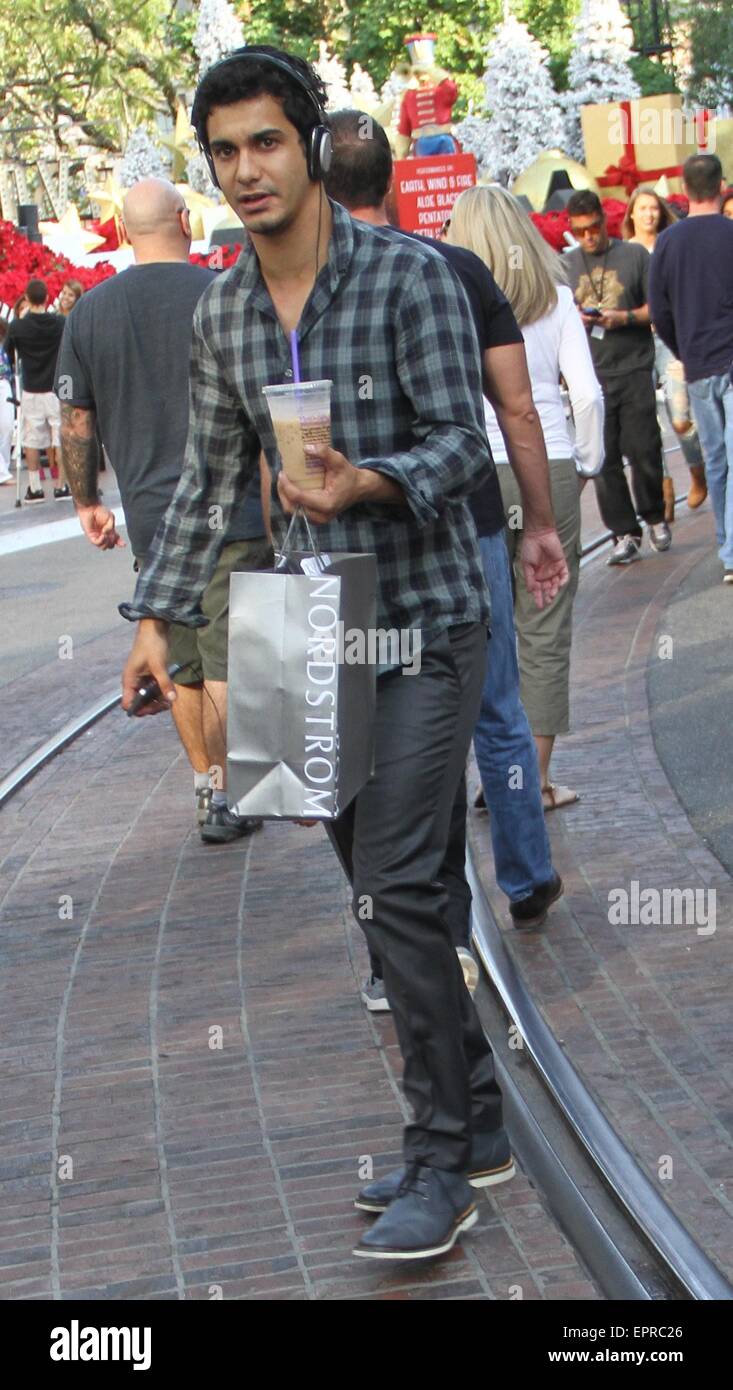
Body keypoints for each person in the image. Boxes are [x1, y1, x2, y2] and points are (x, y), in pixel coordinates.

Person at [119, 46, 564, 1262]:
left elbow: (460, 447)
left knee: (408, 885)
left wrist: (371, 481)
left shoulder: (407, 276)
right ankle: (473, 1122)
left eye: (266, 142)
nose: (246, 170)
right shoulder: (219, 312)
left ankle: (436, 1156)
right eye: (224, 152)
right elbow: (210, 493)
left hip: (419, 617)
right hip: (290, 629)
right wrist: (158, 622)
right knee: (379, 894)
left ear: (309, 146)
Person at [323, 112, 567, 1014]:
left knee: (383, 751)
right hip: (465, 523)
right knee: (495, 712)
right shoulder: (453, 268)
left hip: (348, 555)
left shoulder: (302, 280)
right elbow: (516, 410)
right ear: (391, 183)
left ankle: (418, 943)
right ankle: (526, 873)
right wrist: (537, 518)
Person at [55, 177, 272, 839]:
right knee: (233, 655)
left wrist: (88, 500)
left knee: (182, 662)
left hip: (154, 516)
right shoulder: (225, 294)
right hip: (232, 509)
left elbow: (75, 420)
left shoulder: (90, 312)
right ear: (186, 220)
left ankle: (208, 789)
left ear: (121, 233)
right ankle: (240, 789)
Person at [448, 184, 604, 808]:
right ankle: (527, 781)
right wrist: (587, 461)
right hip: (548, 462)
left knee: (485, 625)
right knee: (544, 622)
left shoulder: (451, 297)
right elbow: (586, 394)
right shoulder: (557, 300)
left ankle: (491, 769)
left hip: (477, 469)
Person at [565, 190, 670, 565]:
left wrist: (622, 318)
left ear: (604, 221)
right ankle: (623, 531)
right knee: (602, 459)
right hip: (590, 375)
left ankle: (654, 514)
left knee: (643, 448)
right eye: (580, 231)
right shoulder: (566, 265)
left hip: (634, 364)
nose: (589, 237)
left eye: (594, 228)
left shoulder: (634, 255)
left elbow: (655, 308)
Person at [649, 154, 733, 584]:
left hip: (696, 362)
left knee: (715, 460)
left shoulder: (668, 242)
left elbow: (658, 309)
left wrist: (682, 347)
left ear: (685, 189)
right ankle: (732, 548)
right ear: (721, 185)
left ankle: (727, 546)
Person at [622, 187, 707, 514]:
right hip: (637, 342)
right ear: (631, 213)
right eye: (642, 208)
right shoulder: (625, 252)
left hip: (671, 340)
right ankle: (664, 491)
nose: (648, 214)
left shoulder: (671, 245)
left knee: (681, 416)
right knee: (646, 424)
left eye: (653, 208)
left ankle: (697, 471)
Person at [4, 278, 68, 502]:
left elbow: (8, 354)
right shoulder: (60, 323)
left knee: (31, 439)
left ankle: (35, 487)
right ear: (47, 298)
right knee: (59, 435)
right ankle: (62, 486)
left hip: (31, 389)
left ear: (27, 299)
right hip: (55, 388)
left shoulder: (18, 326)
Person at [0, 320, 14, 484]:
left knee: (7, 427)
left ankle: (4, 467)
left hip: (5, 382)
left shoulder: (5, 333)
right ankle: (2, 473)